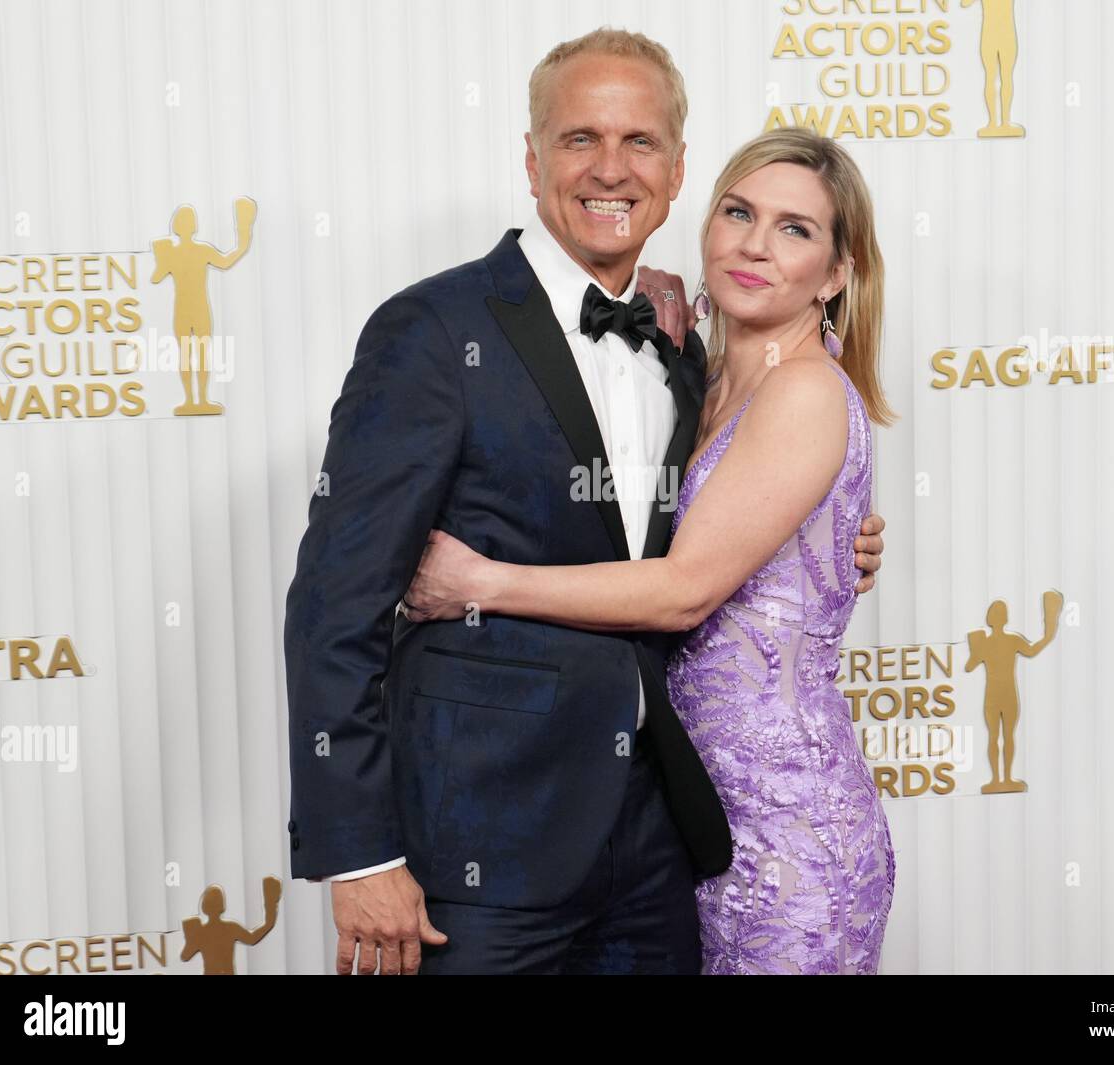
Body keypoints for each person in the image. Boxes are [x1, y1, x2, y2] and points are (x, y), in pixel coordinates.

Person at [283, 27, 886, 975]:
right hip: (480, 851)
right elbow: (333, 603)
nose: (612, 168)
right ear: (532, 160)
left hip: (660, 846)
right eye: (580, 140)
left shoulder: (683, 353)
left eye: (640, 142)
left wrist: (830, 542)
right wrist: (361, 852)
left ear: (676, 169)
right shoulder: (434, 331)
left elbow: (708, 556)